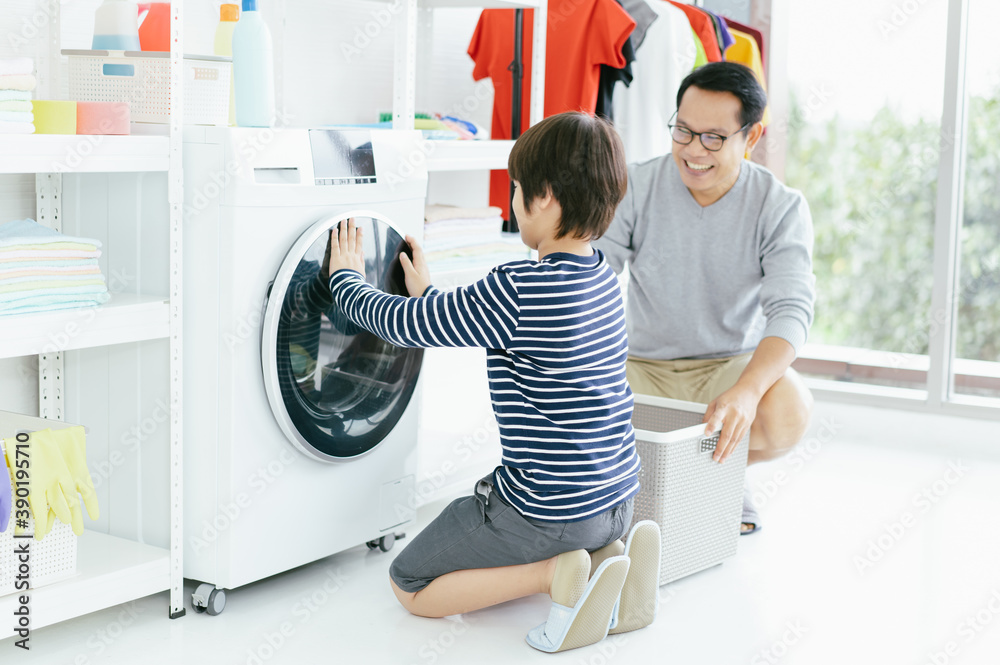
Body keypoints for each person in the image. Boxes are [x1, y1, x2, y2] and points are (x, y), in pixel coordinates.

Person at [325, 112, 661, 653]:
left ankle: (554, 575)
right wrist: (428, 292)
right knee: (572, 525)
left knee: (409, 582)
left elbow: (402, 327)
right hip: (616, 498)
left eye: (517, 190)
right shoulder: (602, 279)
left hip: (547, 512)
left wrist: (343, 280)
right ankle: (610, 561)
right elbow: (459, 319)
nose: (512, 201)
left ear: (546, 198)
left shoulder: (518, 286)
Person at [594, 62, 816, 534]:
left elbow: (791, 311)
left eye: (713, 138)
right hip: (642, 366)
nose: (694, 150)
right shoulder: (636, 184)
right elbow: (595, 273)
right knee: (570, 403)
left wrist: (748, 391)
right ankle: (692, 488)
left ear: (751, 137)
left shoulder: (779, 206)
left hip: (726, 369)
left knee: (788, 409)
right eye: (683, 131)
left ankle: (719, 480)